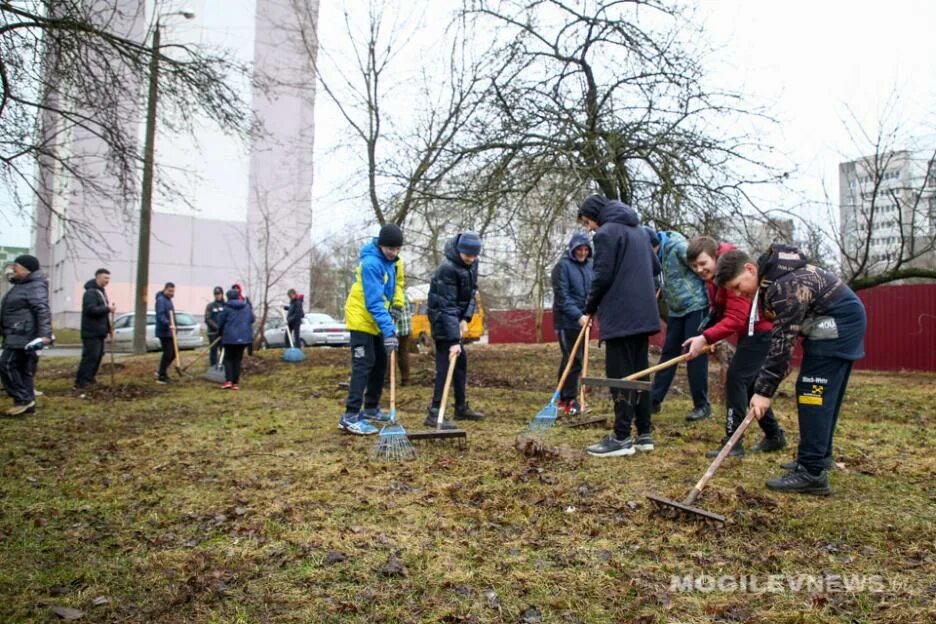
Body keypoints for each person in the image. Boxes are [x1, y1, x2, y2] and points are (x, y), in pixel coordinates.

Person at [715, 244, 867, 495]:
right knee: (820, 393)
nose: (739, 295)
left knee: (812, 393)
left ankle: (811, 472)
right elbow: (784, 339)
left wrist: (763, 391)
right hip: (840, 324)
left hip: (837, 328)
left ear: (750, 269)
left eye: (737, 287)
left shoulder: (783, 286)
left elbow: (782, 344)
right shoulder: (778, 278)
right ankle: (819, 457)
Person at [682, 236, 787, 458]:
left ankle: (733, 442)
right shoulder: (716, 280)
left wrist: (706, 337)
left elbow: (737, 318)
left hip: (761, 331)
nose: (700, 269)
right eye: (694, 267)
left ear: (714, 256)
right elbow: (719, 312)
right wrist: (704, 336)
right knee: (749, 386)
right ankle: (774, 435)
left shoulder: (730, 276)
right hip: (752, 332)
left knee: (736, 379)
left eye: (703, 263)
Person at [576, 195, 660, 457]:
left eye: (588, 221)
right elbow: (655, 266)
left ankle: (622, 437)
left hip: (621, 315)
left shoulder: (606, 233)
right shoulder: (640, 231)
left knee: (620, 375)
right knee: (639, 372)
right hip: (643, 313)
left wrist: (589, 308)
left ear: (595, 215)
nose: (590, 228)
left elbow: (601, 276)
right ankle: (644, 433)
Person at [339, 223, 405, 435]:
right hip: (361, 319)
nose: (393, 253)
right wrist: (389, 331)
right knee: (363, 364)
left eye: (397, 249)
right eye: (389, 249)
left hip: (376, 319)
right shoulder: (371, 264)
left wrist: (395, 307)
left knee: (379, 363)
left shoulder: (392, 262)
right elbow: (374, 302)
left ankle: (370, 408)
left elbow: (395, 288)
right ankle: (349, 416)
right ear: (380, 245)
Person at [644, 227, 712, 421]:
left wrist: (710, 304)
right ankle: (654, 400)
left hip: (696, 305)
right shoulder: (656, 256)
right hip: (676, 310)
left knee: (694, 354)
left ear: (652, 246)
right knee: (668, 352)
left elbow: (702, 271)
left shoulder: (678, 247)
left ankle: (702, 405)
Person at [426, 231, 485, 429]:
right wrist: (453, 341)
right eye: (467, 255)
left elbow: (472, 293)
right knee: (445, 365)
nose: (470, 259)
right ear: (459, 250)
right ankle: (435, 412)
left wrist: (465, 318)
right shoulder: (447, 269)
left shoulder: (472, 264)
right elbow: (447, 305)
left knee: (461, 363)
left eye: (474, 255)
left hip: (455, 319)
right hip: (442, 318)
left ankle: (460, 407)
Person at [0, 255, 52, 415]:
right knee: (24, 370)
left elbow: (42, 310)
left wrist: (45, 335)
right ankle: (28, 406)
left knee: (6, 364)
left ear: (26, 268)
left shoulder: (34, 286)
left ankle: (22, 399)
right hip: (17, 332)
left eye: (16, 266)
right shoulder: (23, 285)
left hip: (23, 334)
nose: (13, 269)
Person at [550, 231, 594, 416]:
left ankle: (562, 396)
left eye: (586, 249)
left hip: (585, 320)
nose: (583, 253)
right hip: (567, 321)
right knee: (573, 359)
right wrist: (578, 315)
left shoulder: (590, 266)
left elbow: (593, 290)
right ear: (572, 249)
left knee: (572, 359)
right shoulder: (562, 267)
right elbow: (562, 297)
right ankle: (570, 400)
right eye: (579, 249)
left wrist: (591, 311)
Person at [75, 268, 117, 391]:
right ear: (98, 278)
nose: (107, 281)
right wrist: (108, 309)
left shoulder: (101, 292)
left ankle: (90, 379)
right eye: (105, 278)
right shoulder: (90, 293)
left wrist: (109, 329)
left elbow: (104, 314)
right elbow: (91, 310)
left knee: (98, 356)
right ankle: (81, 382)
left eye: (108, 278)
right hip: (91, 331)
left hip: (100, 331)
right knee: (90, 357)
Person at [217, 288, 256, 389]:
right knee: (237, 360)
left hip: (229, 337)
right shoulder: (246, 307)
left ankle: (228, 380)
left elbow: (221, 322)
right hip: (243, 337)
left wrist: (219, 333)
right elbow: (252, 319)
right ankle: (235, 383)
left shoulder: (226, 308)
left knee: (228, 359)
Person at [389, 259, 413, 386]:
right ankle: (405, 380)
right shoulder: (402, 292)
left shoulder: (390, 291)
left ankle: (388, 381)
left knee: (390, 351)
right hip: (404, 326)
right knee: (403, 351)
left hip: (396, 325)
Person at [155, 282, 176, 384]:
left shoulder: (168, 300)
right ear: (165, 289)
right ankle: (161, 376)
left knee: (174, 353)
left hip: (170, 331)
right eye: (170, 291)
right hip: (164, 331)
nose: (171, 293)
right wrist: (168, 324)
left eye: (173, 291)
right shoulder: (161, 300)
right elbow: (161, 315)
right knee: (168, 353)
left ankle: (161, 371)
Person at [204, 287, 225, 366]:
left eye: (219, 294)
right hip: (213, 333)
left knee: (223, 351)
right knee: (213, 351)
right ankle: (213, 366)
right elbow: (207, 318)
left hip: (223, 333)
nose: (217, 296)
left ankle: (222, 367)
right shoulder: (210, 306)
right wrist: (216, 327)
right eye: (216, 294)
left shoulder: (225, 306)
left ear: (222, 294)